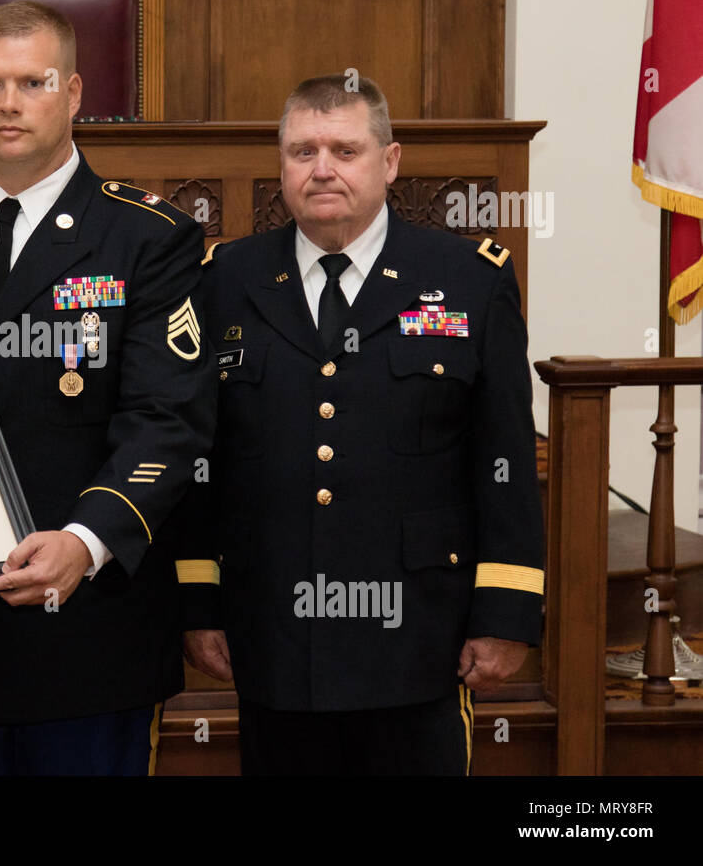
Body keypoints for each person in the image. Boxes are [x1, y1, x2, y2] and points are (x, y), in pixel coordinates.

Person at [171, 74, 545, 775]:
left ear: (390, 161)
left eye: (344, 150)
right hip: (273, 633)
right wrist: (200, 600)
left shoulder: (468, 278)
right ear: (280, 164)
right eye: (301, 151)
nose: (322, 170)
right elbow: (200, 460)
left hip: (419, 636)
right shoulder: (225, 280)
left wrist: (506, 613)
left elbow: (504, 457)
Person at [0, 1, 214, 775]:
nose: (8, 102)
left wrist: (86, 540)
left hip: (91, 632)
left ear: (72, 92)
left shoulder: (147, 236)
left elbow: (168, 421)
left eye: (31, 81)